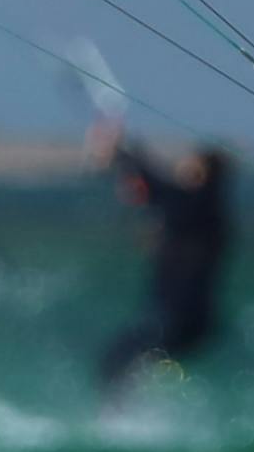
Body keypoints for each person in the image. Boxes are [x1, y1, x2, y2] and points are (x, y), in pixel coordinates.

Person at [90, 125, 237, 389]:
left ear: (201, 174)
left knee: (116, 359)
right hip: (191, 321)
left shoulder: (196, 208)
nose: (180, 168)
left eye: (188, 165)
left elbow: (158, 186)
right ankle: (129, 416)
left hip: (179, 320)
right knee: (125, 361)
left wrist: (123, 150)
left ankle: (118, 420)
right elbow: (158, 189)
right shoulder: (208, 213)